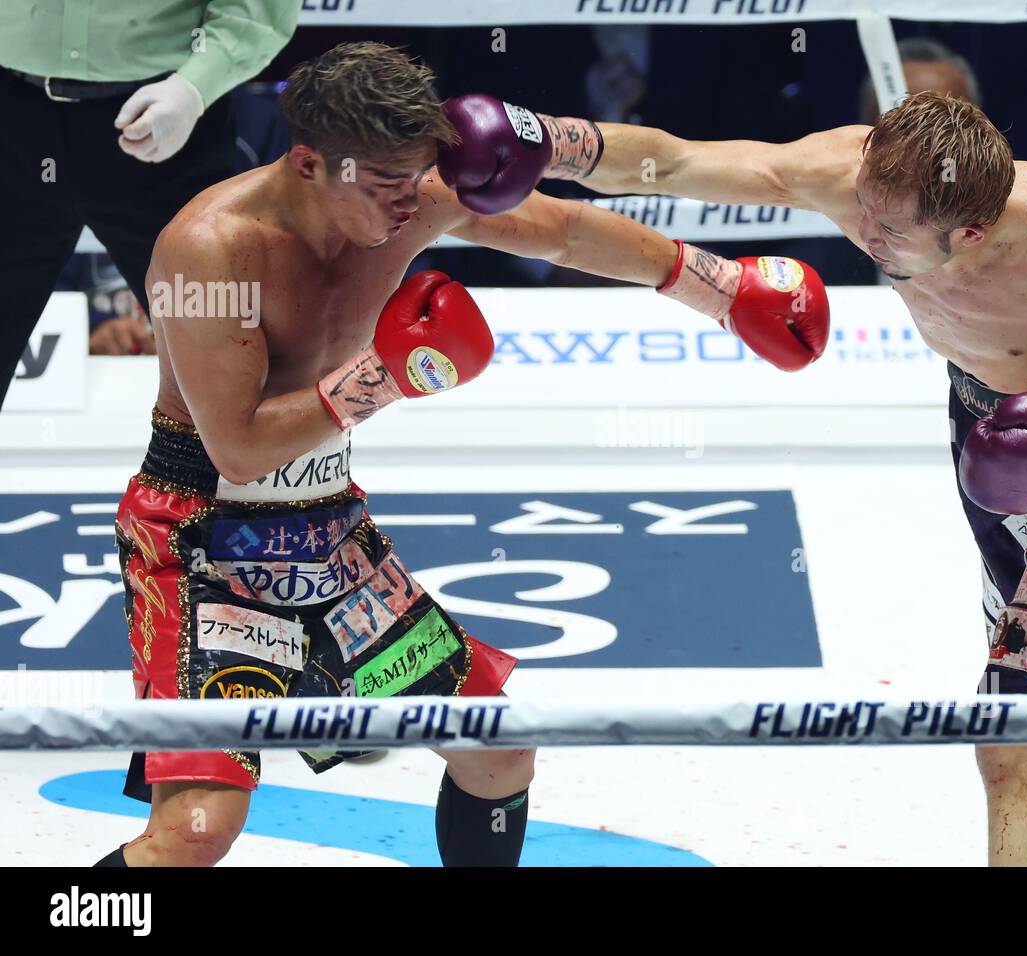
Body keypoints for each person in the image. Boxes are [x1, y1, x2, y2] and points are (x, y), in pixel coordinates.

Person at [456, 88, 1027, 867]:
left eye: (890, 231)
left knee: (1013, 722)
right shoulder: (854, 176)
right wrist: (547, 139)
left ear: (969, 233)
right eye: (866, 208)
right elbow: (672, 163)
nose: (866, 236)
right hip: (988, 433)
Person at [100, 42, 829, 868]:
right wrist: (386, 376)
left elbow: (567, 230)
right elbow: (235, 446)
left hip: (327, 527)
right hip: (199, 540)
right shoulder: (209, 250)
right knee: (197, 832)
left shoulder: (406, 192)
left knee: (497, 749)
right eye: (385, 186)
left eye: (418, 180)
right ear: (309, 163)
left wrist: (721, 291)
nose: (413, 206)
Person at [0, 0, 299, 410]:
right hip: (12, 107)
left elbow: (259, 8)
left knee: (233, 370)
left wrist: (193, 89)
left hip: (166, 112)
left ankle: (242, 472)